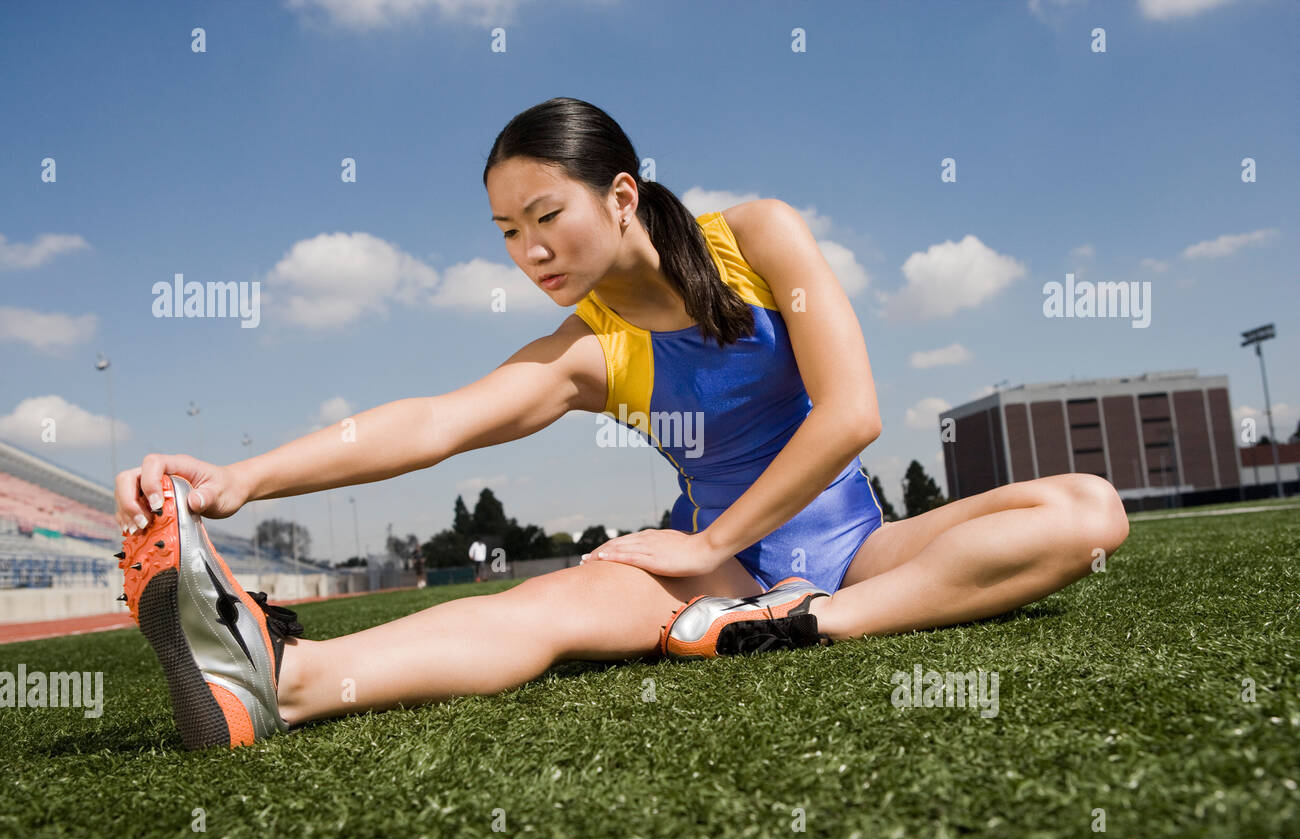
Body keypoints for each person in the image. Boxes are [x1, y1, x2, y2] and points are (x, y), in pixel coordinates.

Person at [112, 97, 1129, 750]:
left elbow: (852, 413)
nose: (529, 249)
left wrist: (738, 558)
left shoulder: (761, 236)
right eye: (508, 232)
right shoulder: (590, 353)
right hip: (709, 579)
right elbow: (434, 421)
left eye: (546, 215)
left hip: (850, 552)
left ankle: (800, 626)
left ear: (622, 194)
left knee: (1088, 512)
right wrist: (241, 478)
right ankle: (283, 681)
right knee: (556, 605)